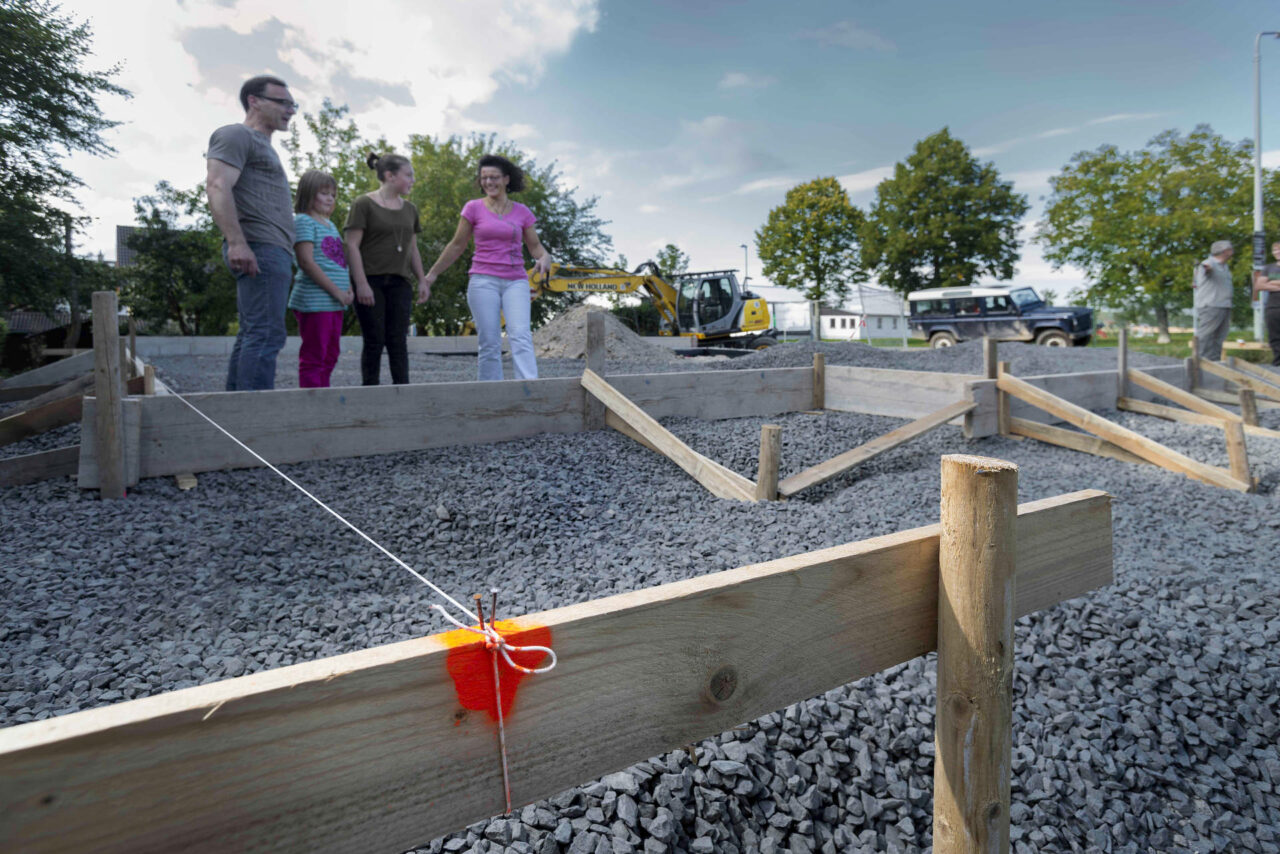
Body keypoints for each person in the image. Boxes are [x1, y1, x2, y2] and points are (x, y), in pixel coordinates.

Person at [423, 154, 552, 380]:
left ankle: (529, 390)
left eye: (494, 177)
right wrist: (432, 274)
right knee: (489, 341)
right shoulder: (473, 208)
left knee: (520, 335)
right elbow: (456, 245)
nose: (489, 183)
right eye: (484, 178)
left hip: (516, 281)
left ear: (506, 180)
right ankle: (492, 393)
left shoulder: (522, 212)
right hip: (483, 281)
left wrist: (545, 257)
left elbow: (536, 247)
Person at [206, 74, 297, 390]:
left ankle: (236, 416)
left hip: (271, 249)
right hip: (260, 246)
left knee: (255, 331)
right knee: (266, 332)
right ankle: (254, 421)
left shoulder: (265, 148)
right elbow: (218, 185)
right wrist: (236, 242)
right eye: (283, 102)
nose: (291, 110)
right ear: (254, 101)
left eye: (293, 104)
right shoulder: (236, 135)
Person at [344, 153, 429, 385]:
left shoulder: (410, 209)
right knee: (374, 338)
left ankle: (402, 391)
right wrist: (361, 284)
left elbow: (412, 247)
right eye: (408, 175)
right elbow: (351, 245)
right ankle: (370, 391)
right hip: (370, 281)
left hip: (400, 282)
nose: (412, 180)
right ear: (390, 176)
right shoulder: (363, 204)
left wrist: (422, 280)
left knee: (397, 340)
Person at [289, 170, 352, 387]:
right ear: (308, 194)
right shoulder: (304, 222)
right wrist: (336, 291)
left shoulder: (331, 225)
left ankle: (323, 395)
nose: (330, 199)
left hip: (335, 302)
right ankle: (311, 402)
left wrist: (349, 287)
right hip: (315, 301)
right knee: (314, 355)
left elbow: (339, 262)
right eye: (324, 193)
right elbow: (306, 262)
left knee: (331, 354)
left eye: (333, 195)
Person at [1193, 240, 1234, 361]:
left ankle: (1214, 363)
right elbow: (1207, 270)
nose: (1232, 252)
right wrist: (1207, 269)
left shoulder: (1224, 266)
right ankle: (1200, 362)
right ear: (1224, 251)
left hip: (1223, 305)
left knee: (1219, 337)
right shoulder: (1208, 263)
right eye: (1230, 249)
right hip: (1211, 305)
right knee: (1206, 335)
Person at [1253, 240, 1280, 366]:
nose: (1277, 252)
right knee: (1274, 336)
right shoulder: (1269, 268)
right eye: (1275, 250)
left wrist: (1271, 283)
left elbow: (1265, 284)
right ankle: (1278, 362)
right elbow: (1259, 285)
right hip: (1273, 306)